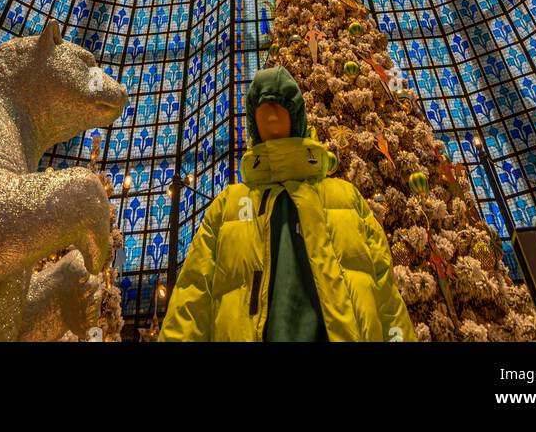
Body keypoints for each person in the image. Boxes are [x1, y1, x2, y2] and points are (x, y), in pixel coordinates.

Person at [158, 65, 415, 342]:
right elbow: (191, 300)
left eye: (280, 107)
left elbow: (385, 294)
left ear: (297, 118)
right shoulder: (227, 205)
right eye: (263, 108)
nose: (271, 116)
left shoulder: (346, 196)